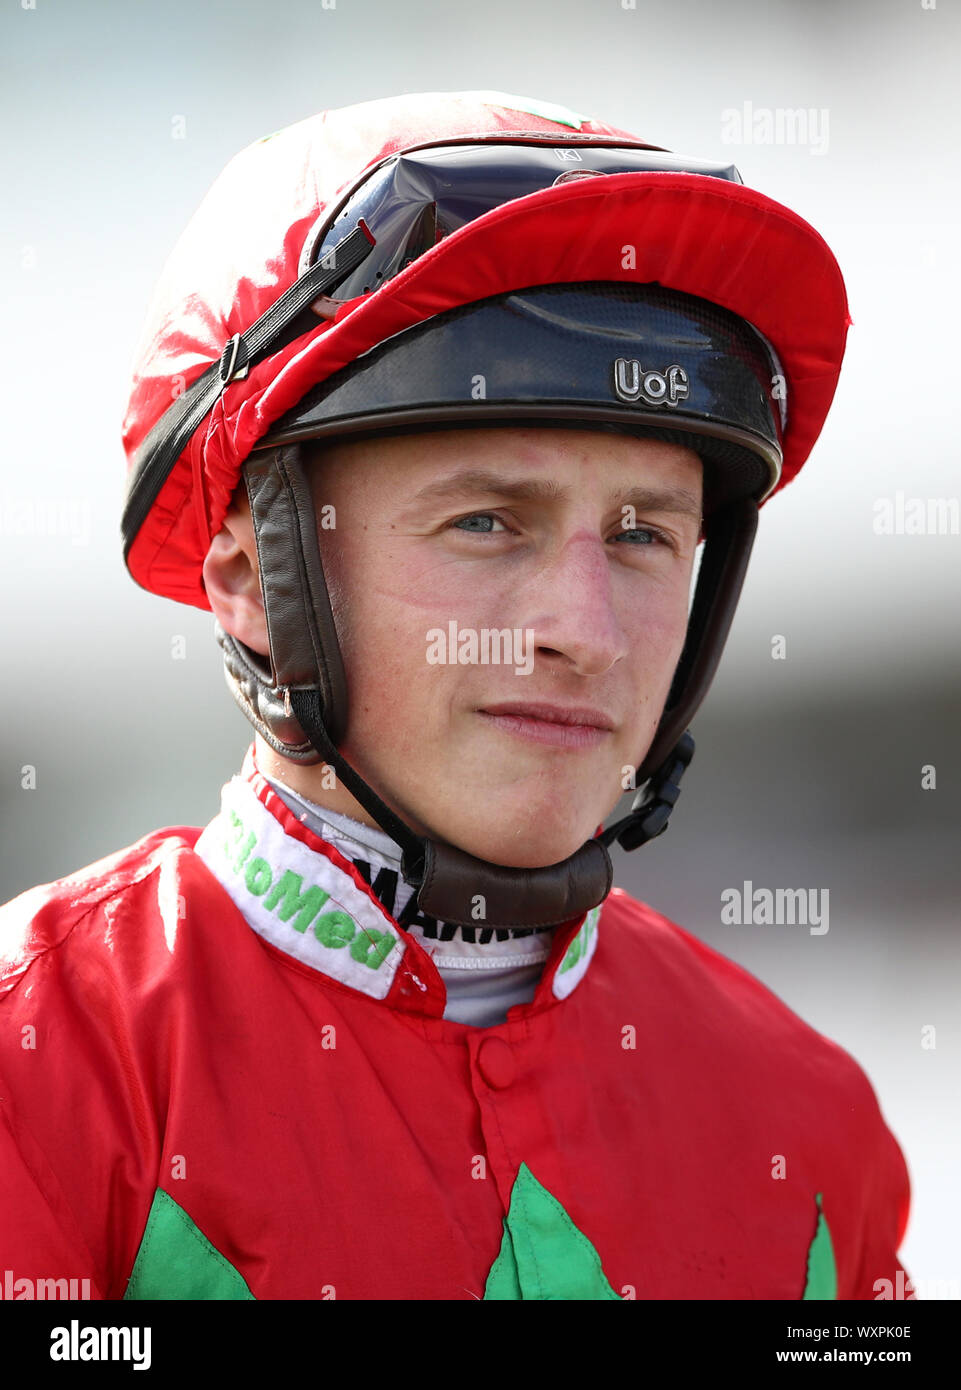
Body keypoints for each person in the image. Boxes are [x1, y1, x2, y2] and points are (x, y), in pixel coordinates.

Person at [0, 89, 911, 1301]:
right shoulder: (39, 1064)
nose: (583, 634)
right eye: (486, 521)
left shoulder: (812, 1114)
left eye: (643, 536)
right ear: (253, 578)